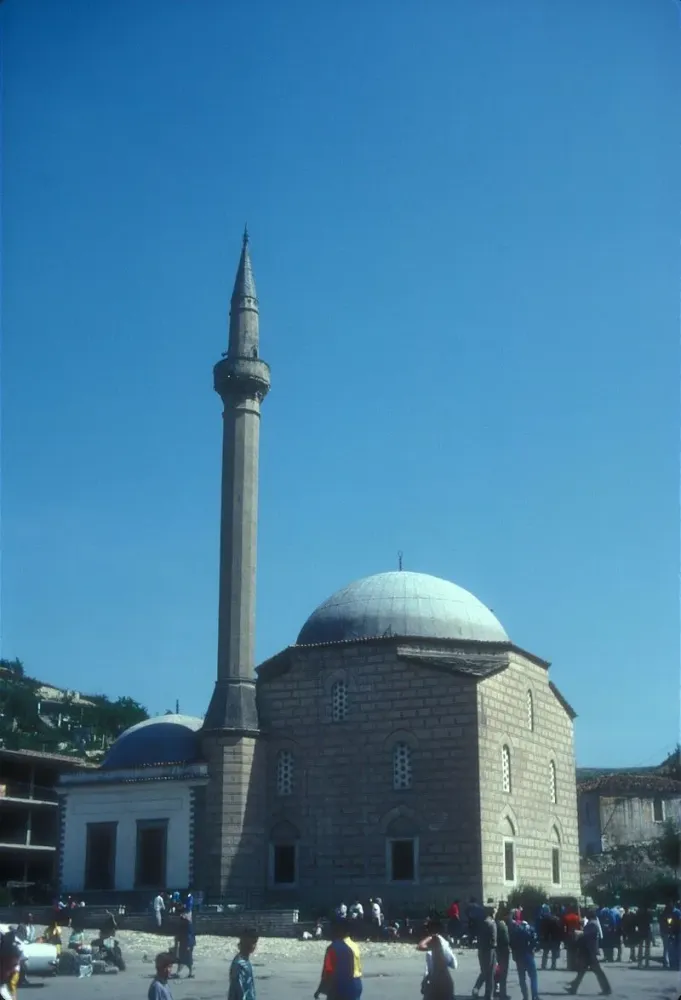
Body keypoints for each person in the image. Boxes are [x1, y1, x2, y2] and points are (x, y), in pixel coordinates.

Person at [564, 909, 611, 996]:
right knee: (582, 971)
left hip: (589, 950)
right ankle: (573, 988)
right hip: (587, 950)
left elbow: (586, 934)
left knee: (597, 971)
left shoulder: (592, 924)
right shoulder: (592, 923)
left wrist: (577, 932)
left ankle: (606, 989)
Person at [315, 918, 362, 1000]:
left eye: (333, 929)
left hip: (340, 986)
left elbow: (328, 971)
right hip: (356, 983)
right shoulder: (354, 945)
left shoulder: (334, 948)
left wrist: (320, 989)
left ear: (338, 930)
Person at [509, 911, 539, 1000]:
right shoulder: (530, 928)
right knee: (533, 976)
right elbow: (535, 942)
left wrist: (514, 953)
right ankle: (534, 996)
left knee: (522, 978)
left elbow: (512, 943)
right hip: (528, 954)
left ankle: (525, 996)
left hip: (519, 955)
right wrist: (532, 949)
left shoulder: (516, 929)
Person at [471, 906, 497, 1000]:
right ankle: (489, 995)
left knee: (484, 971)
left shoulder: (482, 922)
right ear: (492, 913)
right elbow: (494, 941)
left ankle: (476, 989)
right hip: (489, 950)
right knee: (490, 973)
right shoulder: (492, 923)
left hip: (481, 950)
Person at [421, 933, 455, 1000]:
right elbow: (454, 964)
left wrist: (429, 937)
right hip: (445, 982)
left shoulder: (431, 953)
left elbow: (420, 946)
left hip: (436, 983)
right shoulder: (445, 950)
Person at [228, 928, 259, 1000]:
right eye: (253, 942)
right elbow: (239, 990)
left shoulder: (244, 961)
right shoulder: (240, 964)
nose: (254, 946)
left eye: (255, 942)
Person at [493, 906, 510, 1000]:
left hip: (497, 951)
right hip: (503, 952)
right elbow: (506, 940)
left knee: (497, 973)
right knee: (503, 974)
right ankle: (503, 994)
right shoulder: (502, 925)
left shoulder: (496, 923)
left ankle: (496, 990)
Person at [539, 905, 561, 971]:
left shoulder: (543, 919)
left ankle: (543, 965)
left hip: (546, 938)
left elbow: (542, 930)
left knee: (545, 952)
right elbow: (558, 929)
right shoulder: (556, 919)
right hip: (554, 938)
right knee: (553, 953)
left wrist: (541, 937)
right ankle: (553, 966)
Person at [174, 912, 195, 979]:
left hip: (186, 944)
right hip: (186, 944)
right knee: (187, 960)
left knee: (184, 959)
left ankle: (178, 973)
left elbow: (189, 936)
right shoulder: (186, 924)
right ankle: (190, 973)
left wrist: (188, 945)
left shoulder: (186, 925)